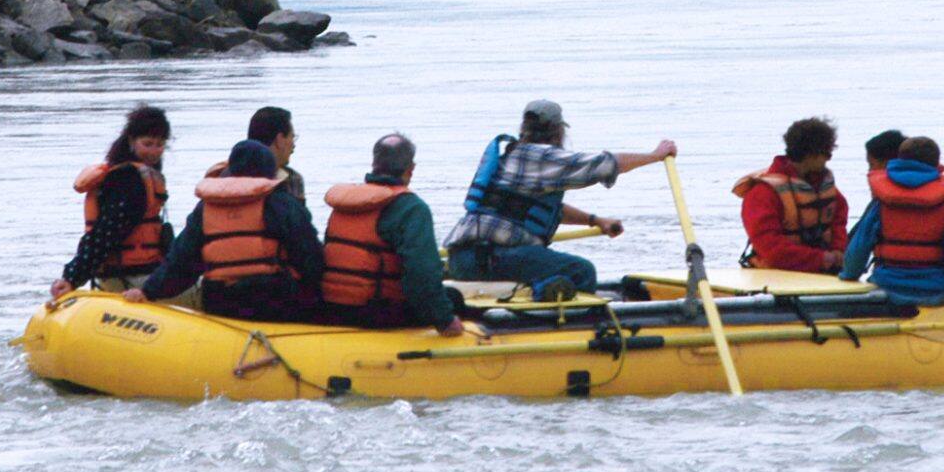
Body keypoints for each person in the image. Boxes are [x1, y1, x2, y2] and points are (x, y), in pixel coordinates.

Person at [444, 99, 677, 301]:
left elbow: (538, 208)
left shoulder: (514, 155)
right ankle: (563, 321)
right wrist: (655, 156)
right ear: (558, 132)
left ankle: (542, 294)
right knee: (581, 271)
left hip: (462, 258)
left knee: (554, 268)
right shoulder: (542, 156)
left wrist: (595, 220)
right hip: (493, 258)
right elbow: (604, 164)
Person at [126, 139, 324, 321]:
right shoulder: (282, 204)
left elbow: (181, 262)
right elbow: (310, 259)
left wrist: (148, 291)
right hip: (273, 302)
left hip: (220, 303)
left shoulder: (206, 208)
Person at [319, 134, 466, 335]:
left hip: (332, 307)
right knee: (453, 298)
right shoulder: (411, 208)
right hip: (378, 312)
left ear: (374, 163)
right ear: (411, 169)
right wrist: (445, 321)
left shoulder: (345, 204)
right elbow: (421, 275)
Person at [839, 136, 944, 306]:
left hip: (887, 290)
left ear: (899, 160)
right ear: (935, 165)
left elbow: (859, 247)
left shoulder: (882, 201)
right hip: (935, 295)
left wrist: (848, 275)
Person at [54, 105, 173, 296]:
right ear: (132, 141)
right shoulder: (128, 180)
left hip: (138, 273)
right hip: (131, 279)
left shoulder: (135, 175)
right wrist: (72, 278)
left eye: (159, 145)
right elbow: (105, 233)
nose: (154, 151)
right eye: (147, 144)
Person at [735, 116, 850, 272]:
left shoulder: (830, 192)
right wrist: (822, 259)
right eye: (827, 154)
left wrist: (838, 252)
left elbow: (838, 226)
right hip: (775, 275)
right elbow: (771, 248)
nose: (829, 159)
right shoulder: (763, 194)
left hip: (823, 272)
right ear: (812, 154)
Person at [867, 127, 944, 258]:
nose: (869, 173)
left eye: (872, 165)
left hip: (888, 274)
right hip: (938, 275)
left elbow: (857, 244)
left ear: (892, 164)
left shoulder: (882, 201)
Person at [206, 106, 306, 199]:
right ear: (279, 140)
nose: (293, 145)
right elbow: (302, 217)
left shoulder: (220, 178)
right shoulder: (291, 180)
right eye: (292, 137)